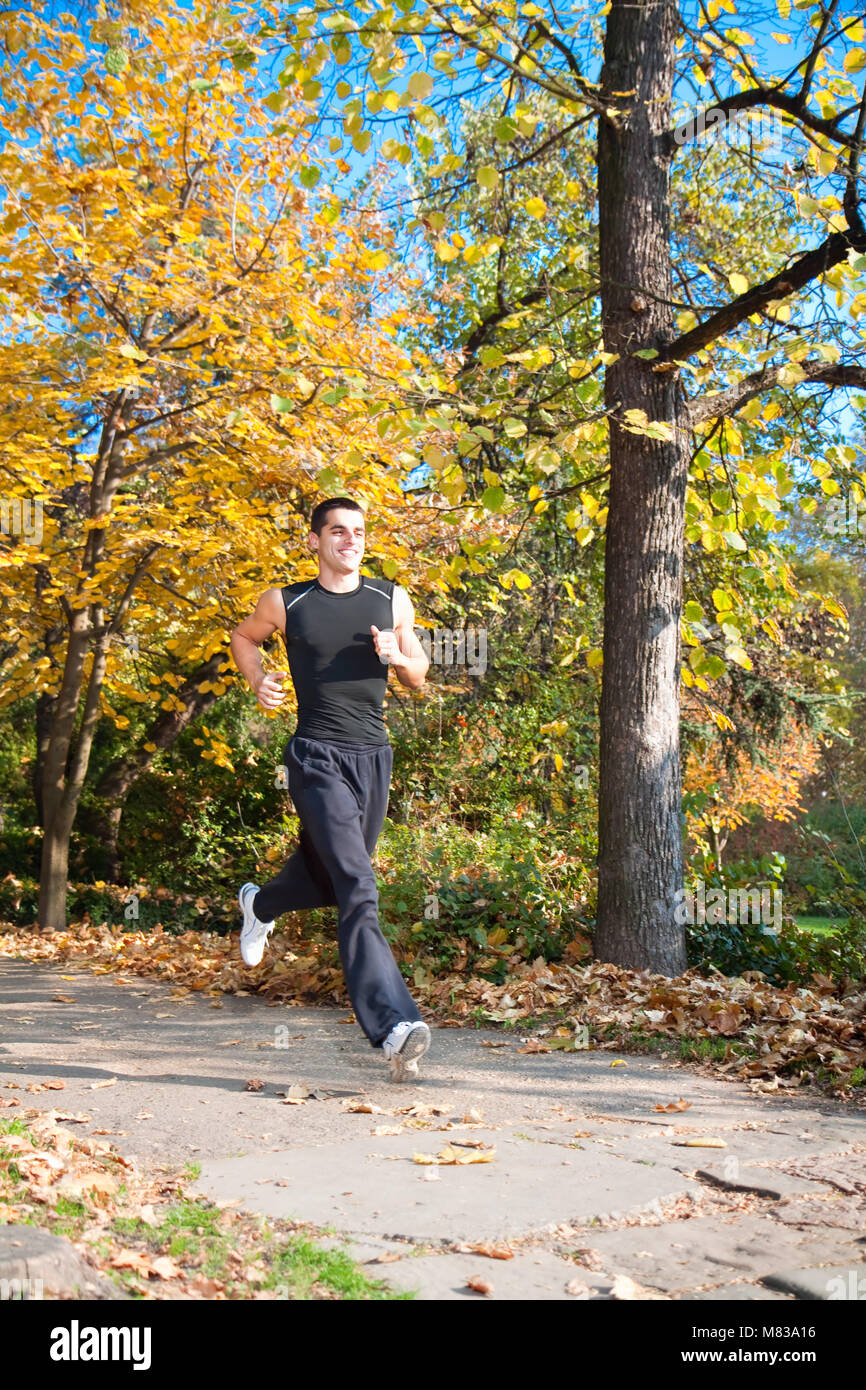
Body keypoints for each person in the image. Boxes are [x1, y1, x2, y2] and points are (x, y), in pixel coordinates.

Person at [229, 497, 432, 1083]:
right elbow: (244, 639)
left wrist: (398, 657)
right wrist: (257, 677)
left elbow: (419, 675)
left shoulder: (390, 599)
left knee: (328, 876)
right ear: (314, 540)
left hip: (374, 756)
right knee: (357, 885)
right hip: (314, 756)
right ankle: (393, 1024)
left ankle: (260, 904)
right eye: (338, 532)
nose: (351, 541)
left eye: (359, 533)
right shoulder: (286, 601)